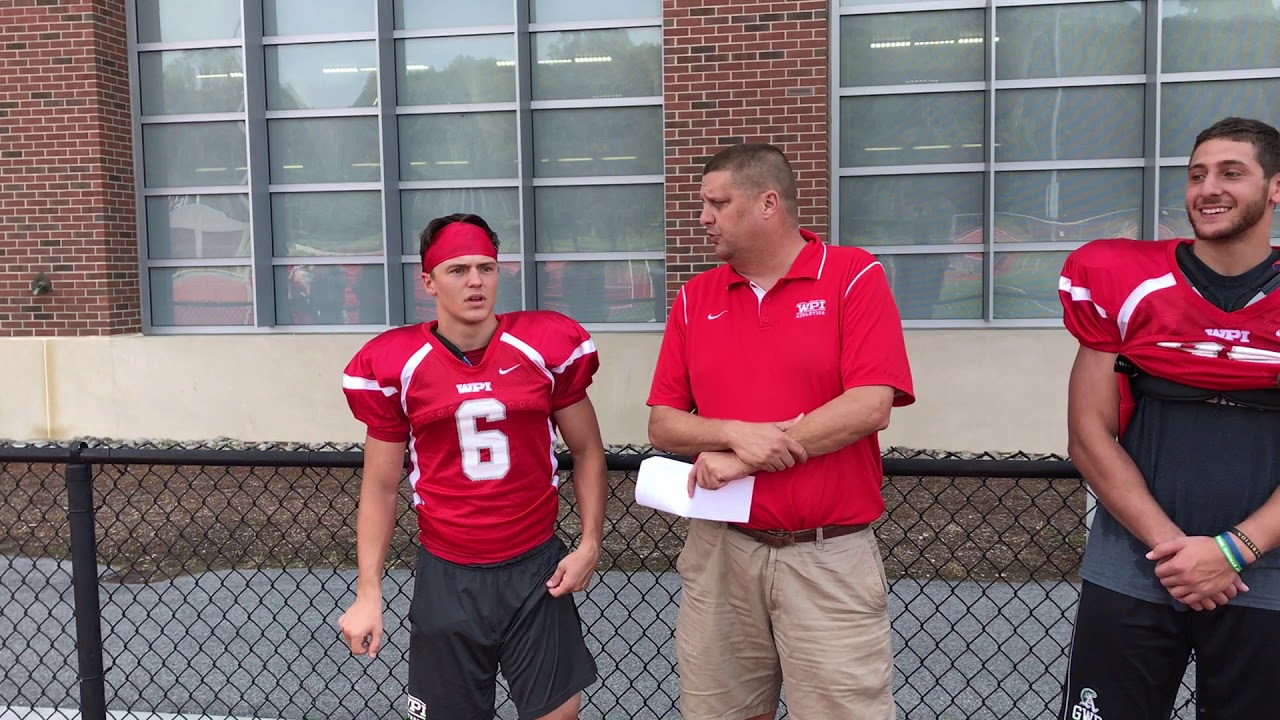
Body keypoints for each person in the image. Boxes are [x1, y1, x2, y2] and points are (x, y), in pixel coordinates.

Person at [646, 143, 915, 720]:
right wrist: (734, 432)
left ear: (768, 203)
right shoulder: (695, 299)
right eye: (703, 204)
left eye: (718, 203)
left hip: (825, 555)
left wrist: (745, 458)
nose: (703, 218)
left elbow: (871, 403)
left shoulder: (851, 275)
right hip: (720, 553)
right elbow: (664, 423)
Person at [337, 213, 606, 720]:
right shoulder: (397, 362)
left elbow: (589, 451)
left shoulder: (544, 346)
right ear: (429, 281)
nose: (476, 281)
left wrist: (590, 542)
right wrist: (368, 593)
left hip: (535, 567)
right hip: (448, 572)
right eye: (458, 270)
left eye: (486, 267)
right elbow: (379, 488)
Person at [1058, 117, 1280, 720]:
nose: (1208, 188)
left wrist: (1232, 551)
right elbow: (1088, 433)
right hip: (1139, 561)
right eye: (1196, 175)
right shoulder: (1123, 283)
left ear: (1275, 187)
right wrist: (1176, 551)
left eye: (1232, 173)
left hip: (1265, 569)